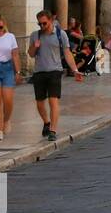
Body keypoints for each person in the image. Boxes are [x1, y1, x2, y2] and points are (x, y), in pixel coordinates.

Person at [28, 9, 84, 142]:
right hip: (39, 71)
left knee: (53, 101)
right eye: (39, 24)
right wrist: (35, 47)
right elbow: (30, 54)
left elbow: (67, 53)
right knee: (39, 103)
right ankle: (46, 122)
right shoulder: (35, 35)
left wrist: (75, 70)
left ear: (51, 21)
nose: (42, 26)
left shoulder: (61, 34)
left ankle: (53, 130)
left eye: (44, 23)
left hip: (55, 71)